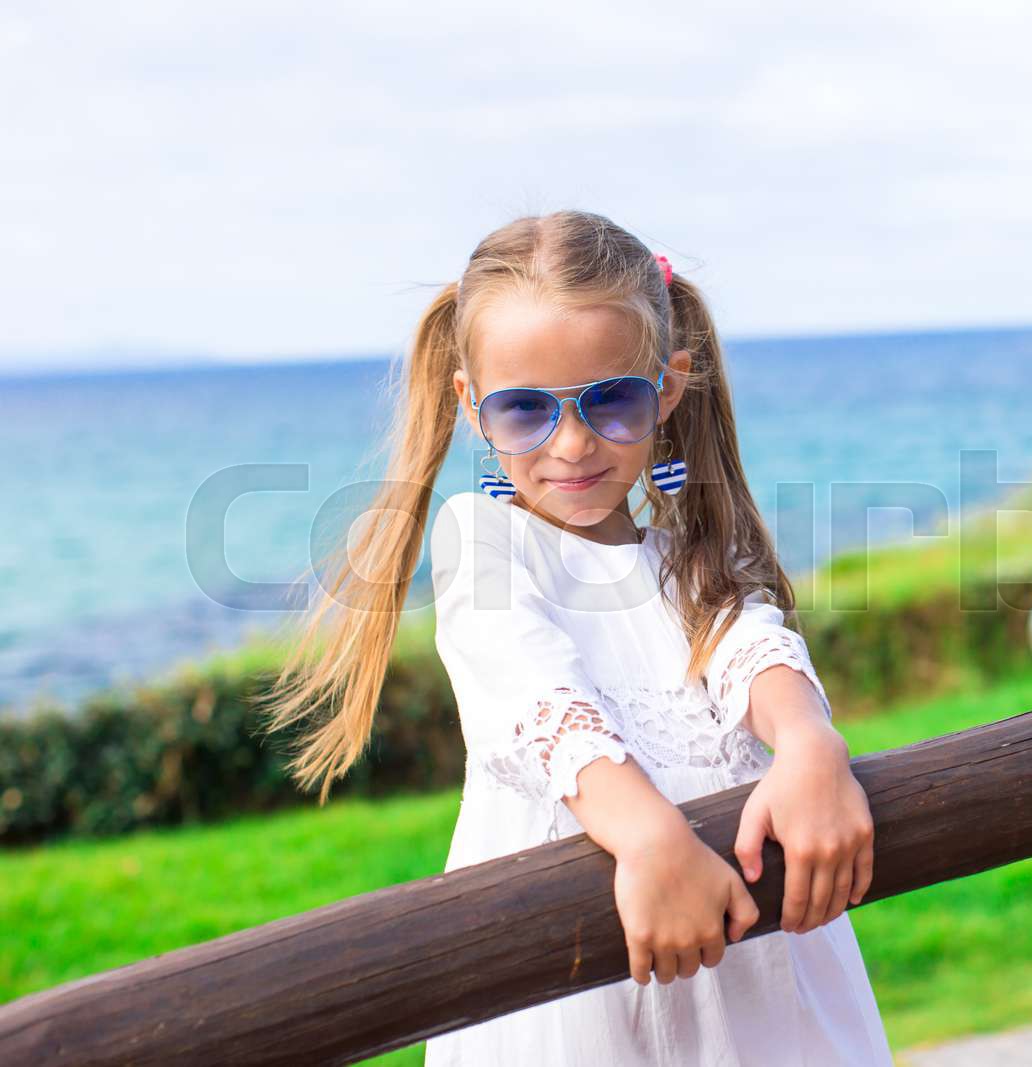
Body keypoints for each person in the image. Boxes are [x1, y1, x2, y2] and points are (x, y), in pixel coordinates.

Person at [257, 209, 893, 1065]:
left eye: (613, 400)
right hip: (584, 996)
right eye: (525, 412)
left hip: (760, 994)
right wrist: (646, 835)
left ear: (666, 387)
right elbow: (530, 689)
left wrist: (811, 744)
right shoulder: (483, 538)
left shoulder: (696, 547)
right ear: (471, 410)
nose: (573, 444)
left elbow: (755, 649)